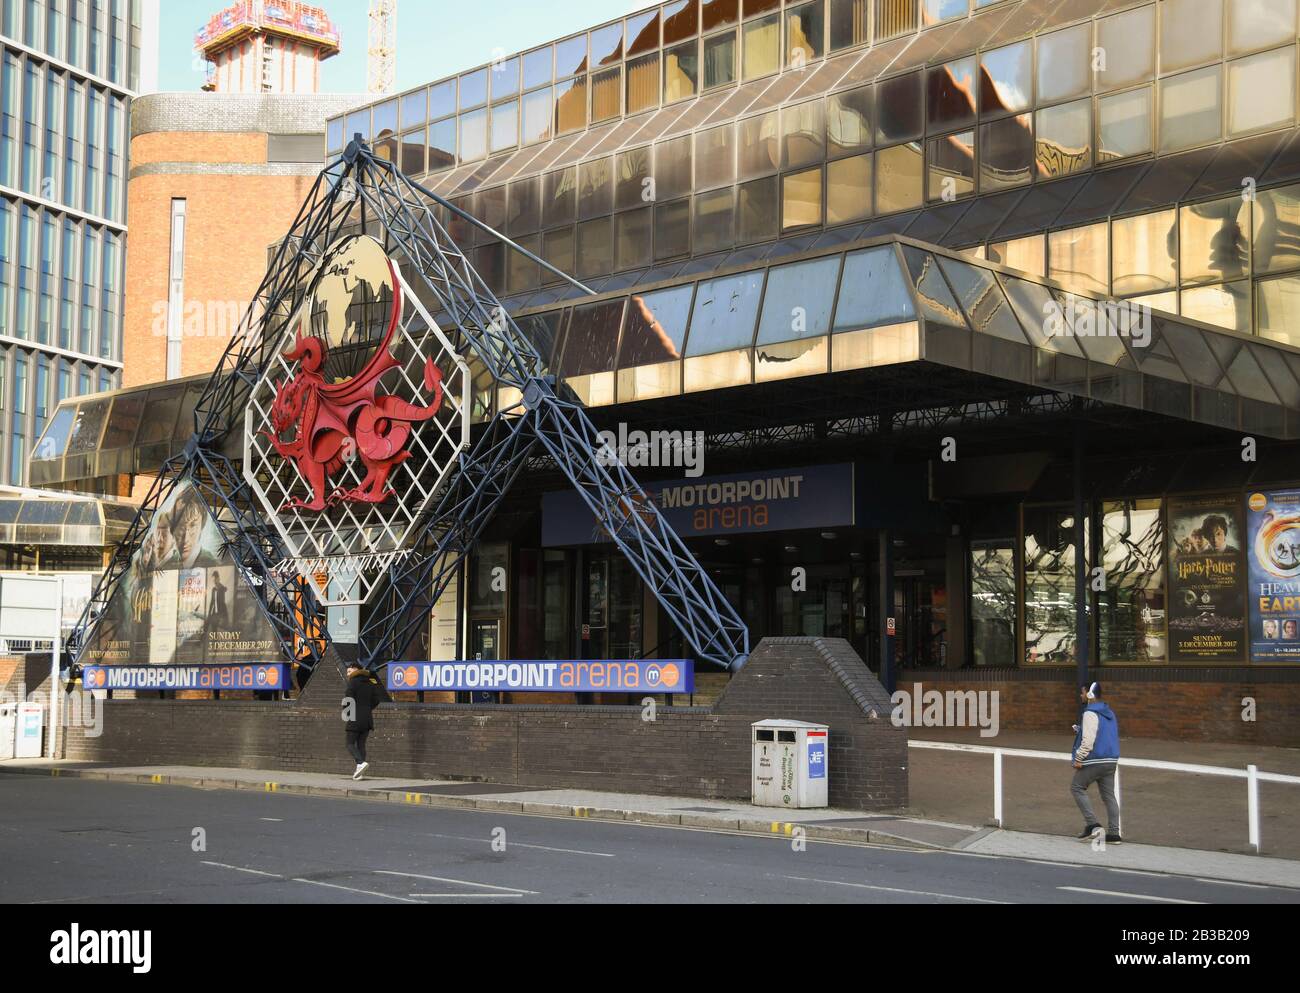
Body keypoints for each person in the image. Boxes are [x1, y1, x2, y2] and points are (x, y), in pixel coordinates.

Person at [1070, 681, 1122, 845]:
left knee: (1077, 787)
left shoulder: (1090, 713)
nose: (1081, 695)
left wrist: (1078, 758)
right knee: (1109, 797)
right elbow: (1104, 733)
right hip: (1111, 760)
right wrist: (1080, 730)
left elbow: (1089, 741)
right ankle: (1114, 834)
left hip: (1095, 760)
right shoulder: (1110, 712)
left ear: (1090, 695)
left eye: (1083, 692)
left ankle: (1093, 825)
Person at [343, 663, 383, 780]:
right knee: (361, 744)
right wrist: (366, 709)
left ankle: (360, 763)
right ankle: (359, 772)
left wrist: (347, 715)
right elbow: (376, 700)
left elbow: (348, 700)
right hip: (367, 719)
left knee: (349, 743)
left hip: (355, 718)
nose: (348, 674)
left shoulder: (353, 683)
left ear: (356, 670)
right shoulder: (370, 683)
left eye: (349, 671)